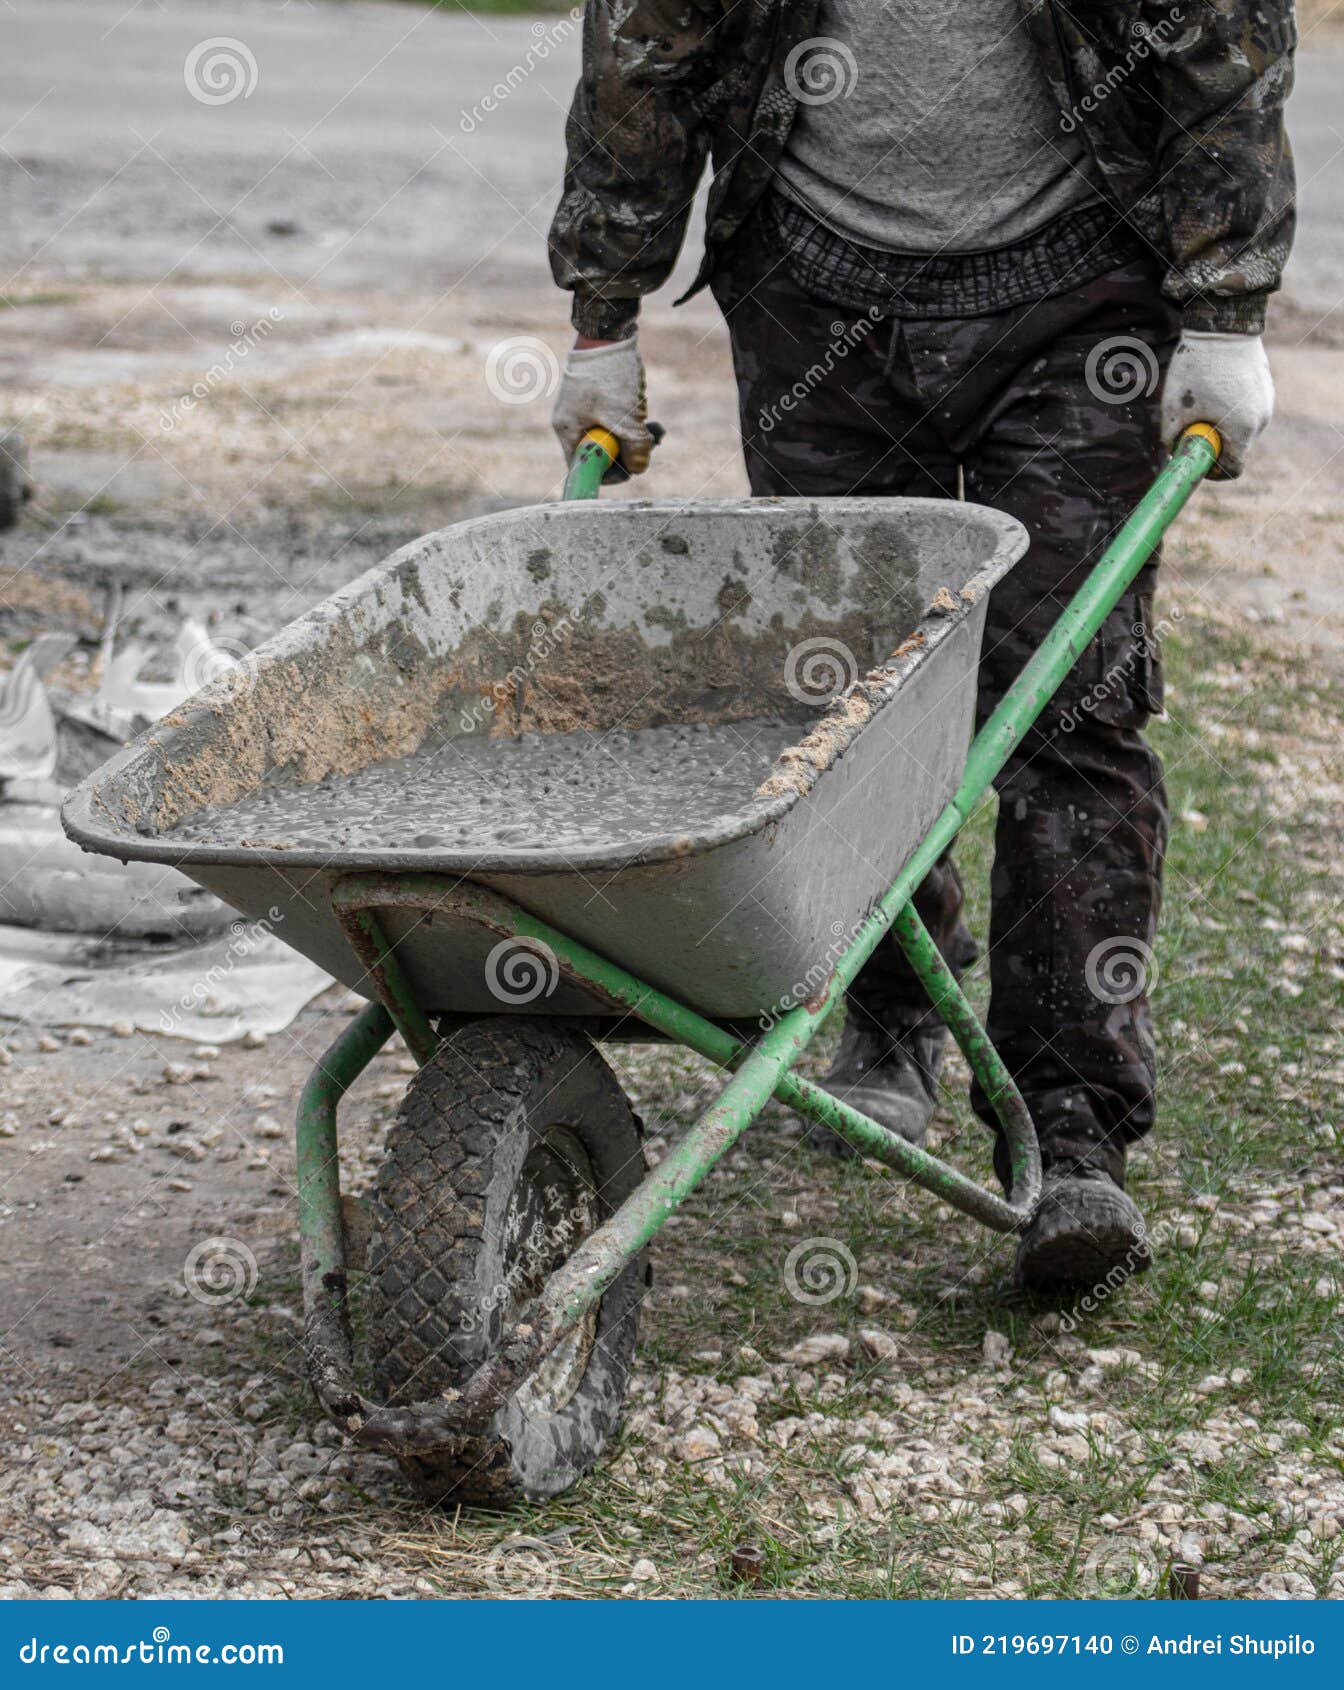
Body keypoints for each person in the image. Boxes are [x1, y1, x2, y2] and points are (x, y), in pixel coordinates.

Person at [547, 0, 1294, 1293]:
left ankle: (1069, 1127)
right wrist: (601, 318)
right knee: (843, 698)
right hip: (811, 281)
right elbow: (646, 35)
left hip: (1077, 286)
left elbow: (1222, 27)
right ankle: (894, 1017)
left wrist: (1226, 304)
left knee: (1074, 698)